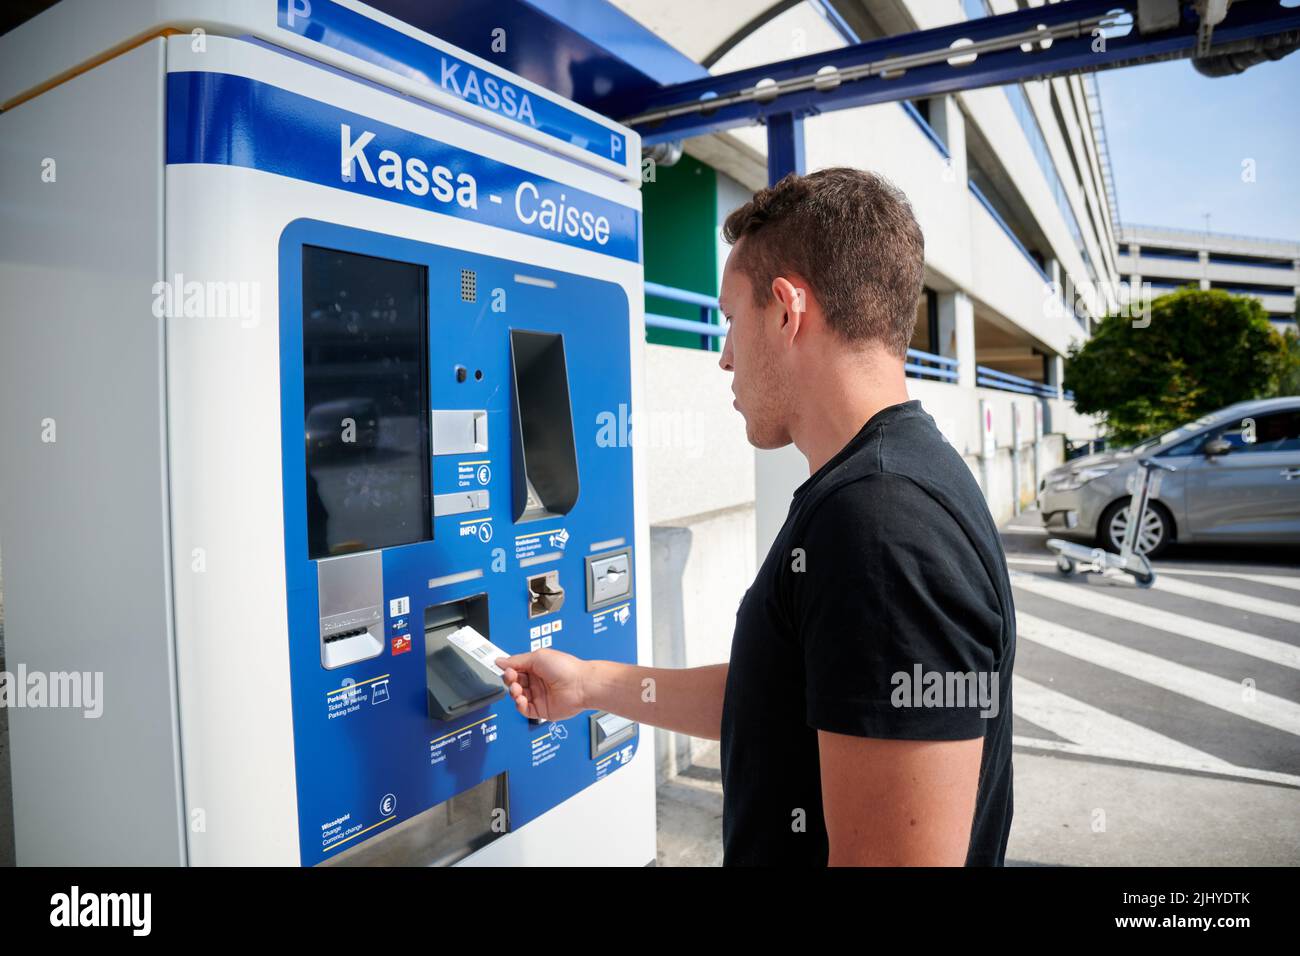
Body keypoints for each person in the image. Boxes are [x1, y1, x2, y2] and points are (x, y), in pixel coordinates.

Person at [496, 167, 1015, 866]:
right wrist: (591, 684)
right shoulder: (895, 483)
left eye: (730, 321)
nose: (724, 357)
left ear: (784, 310)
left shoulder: (880, 525)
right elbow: (787, 700)